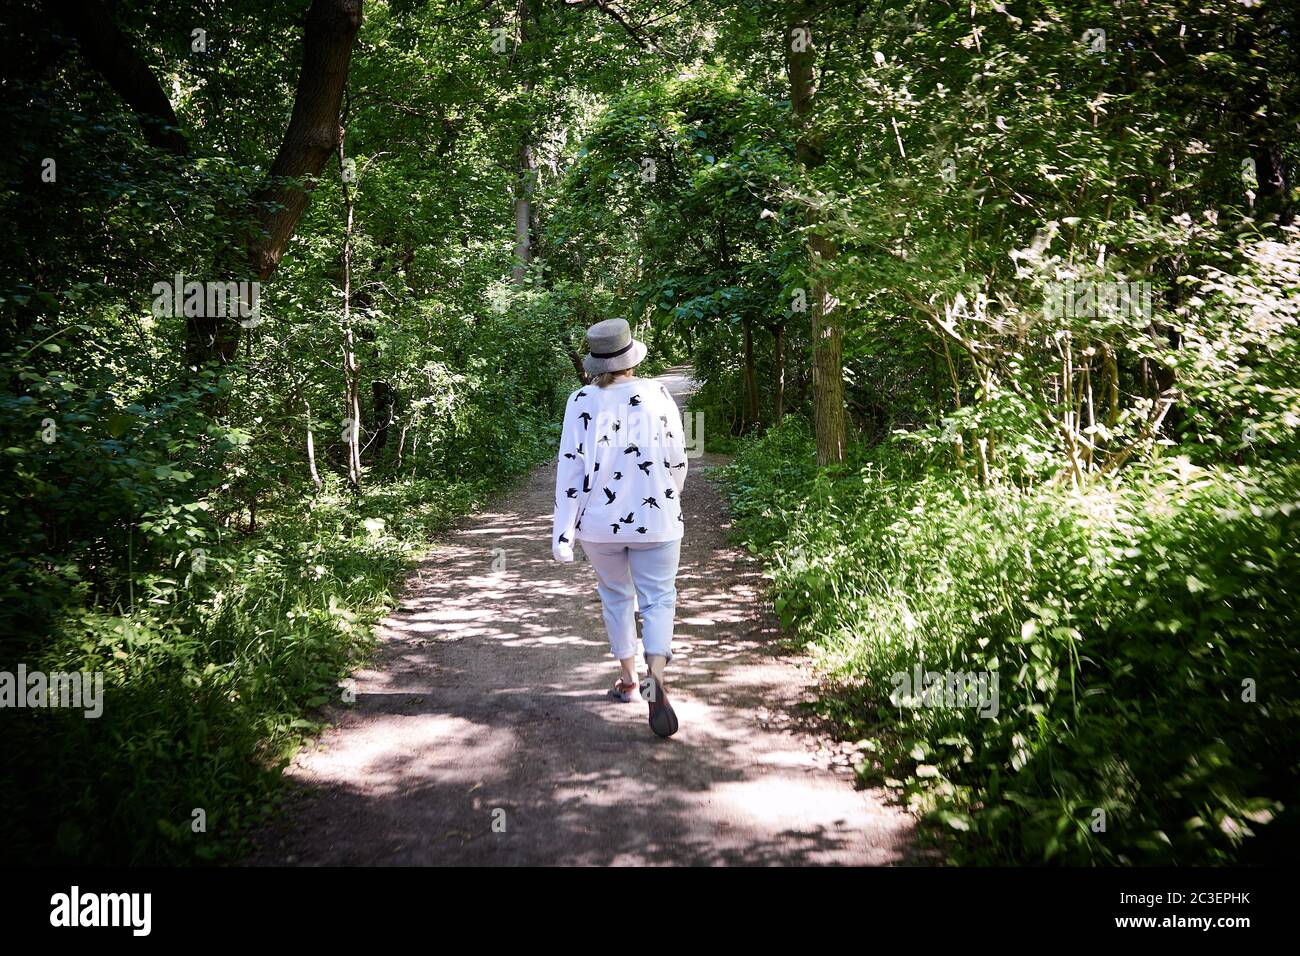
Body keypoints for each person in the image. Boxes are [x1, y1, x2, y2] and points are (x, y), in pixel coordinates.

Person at [551, 318, 689, 738]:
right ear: (631, 356)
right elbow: (677, 456)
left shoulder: (579, 400)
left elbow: (570, 468)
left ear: (595, 362)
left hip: (599, 525)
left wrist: (563, 532)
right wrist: (671, 496)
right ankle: (657, 678)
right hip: (657, 520)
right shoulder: (657, 394)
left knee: (615, 595)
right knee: (659, 598)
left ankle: (629, 682)